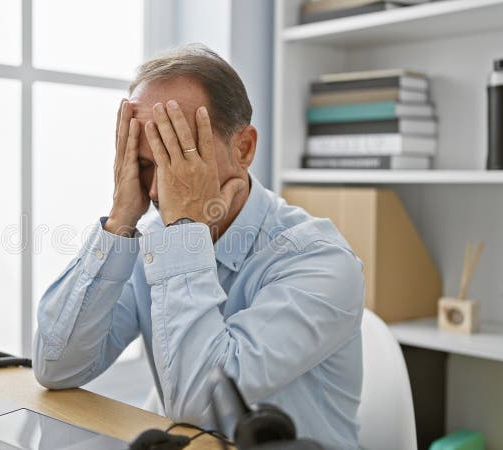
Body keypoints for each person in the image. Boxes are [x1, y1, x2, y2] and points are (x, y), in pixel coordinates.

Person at [32, 44, 364, 450]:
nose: (155, 190)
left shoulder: (320, 261)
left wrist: (185, 228)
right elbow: (56, 366)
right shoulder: (154, 237)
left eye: (178, 159)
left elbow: (197, 405)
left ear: (243, 148)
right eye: (145, 165)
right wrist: (120, 220)